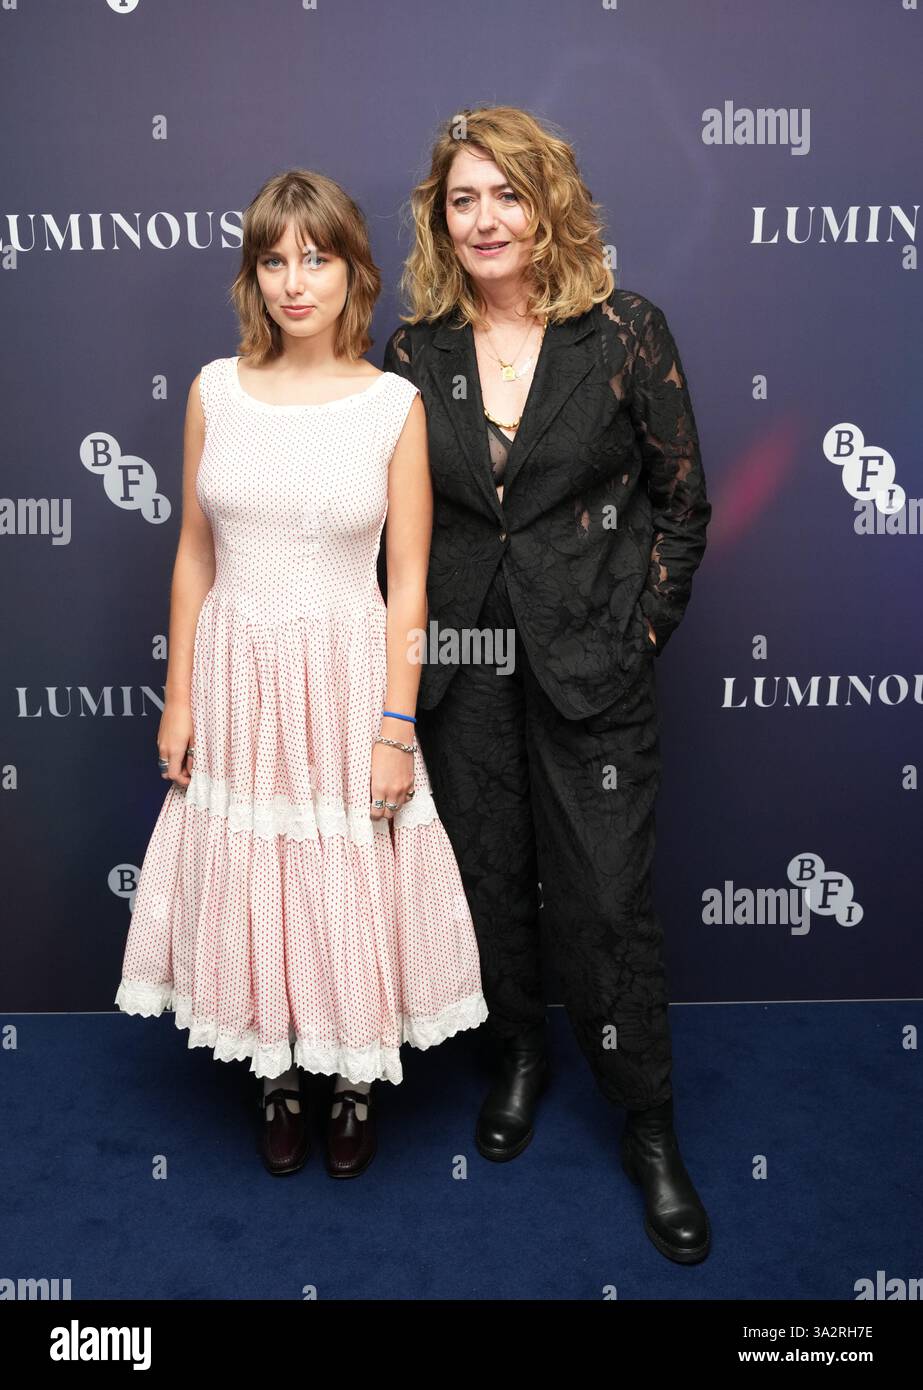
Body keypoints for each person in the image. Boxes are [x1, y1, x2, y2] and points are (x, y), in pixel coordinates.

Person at [383, 106, 713, 1262]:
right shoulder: (417, 350)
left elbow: (682, 499)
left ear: (547, 203)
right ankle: (517, 1057)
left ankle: (649, 1124)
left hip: (592, 665)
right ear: (441, 216)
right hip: (465, 667)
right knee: (487, 880)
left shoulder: (622, 330)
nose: (484, 219)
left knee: (607, 901)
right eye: (461, 199)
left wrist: (637, 634)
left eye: (505, 194)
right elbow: (399, 525)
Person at [115, 169, 487, 1179]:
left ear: (350, 271)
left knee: (345, 874)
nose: (293, 281)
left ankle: (352, 1083)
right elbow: (194, 552)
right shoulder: (213, 391)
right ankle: (276, 1075)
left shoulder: (392, 404)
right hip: (237, 675)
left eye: (315, 258)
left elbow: (408, 582)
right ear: (253, 276)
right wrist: (180, 695)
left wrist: (393, 727)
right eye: (273, 260)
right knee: (258, 871)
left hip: (343, 676)